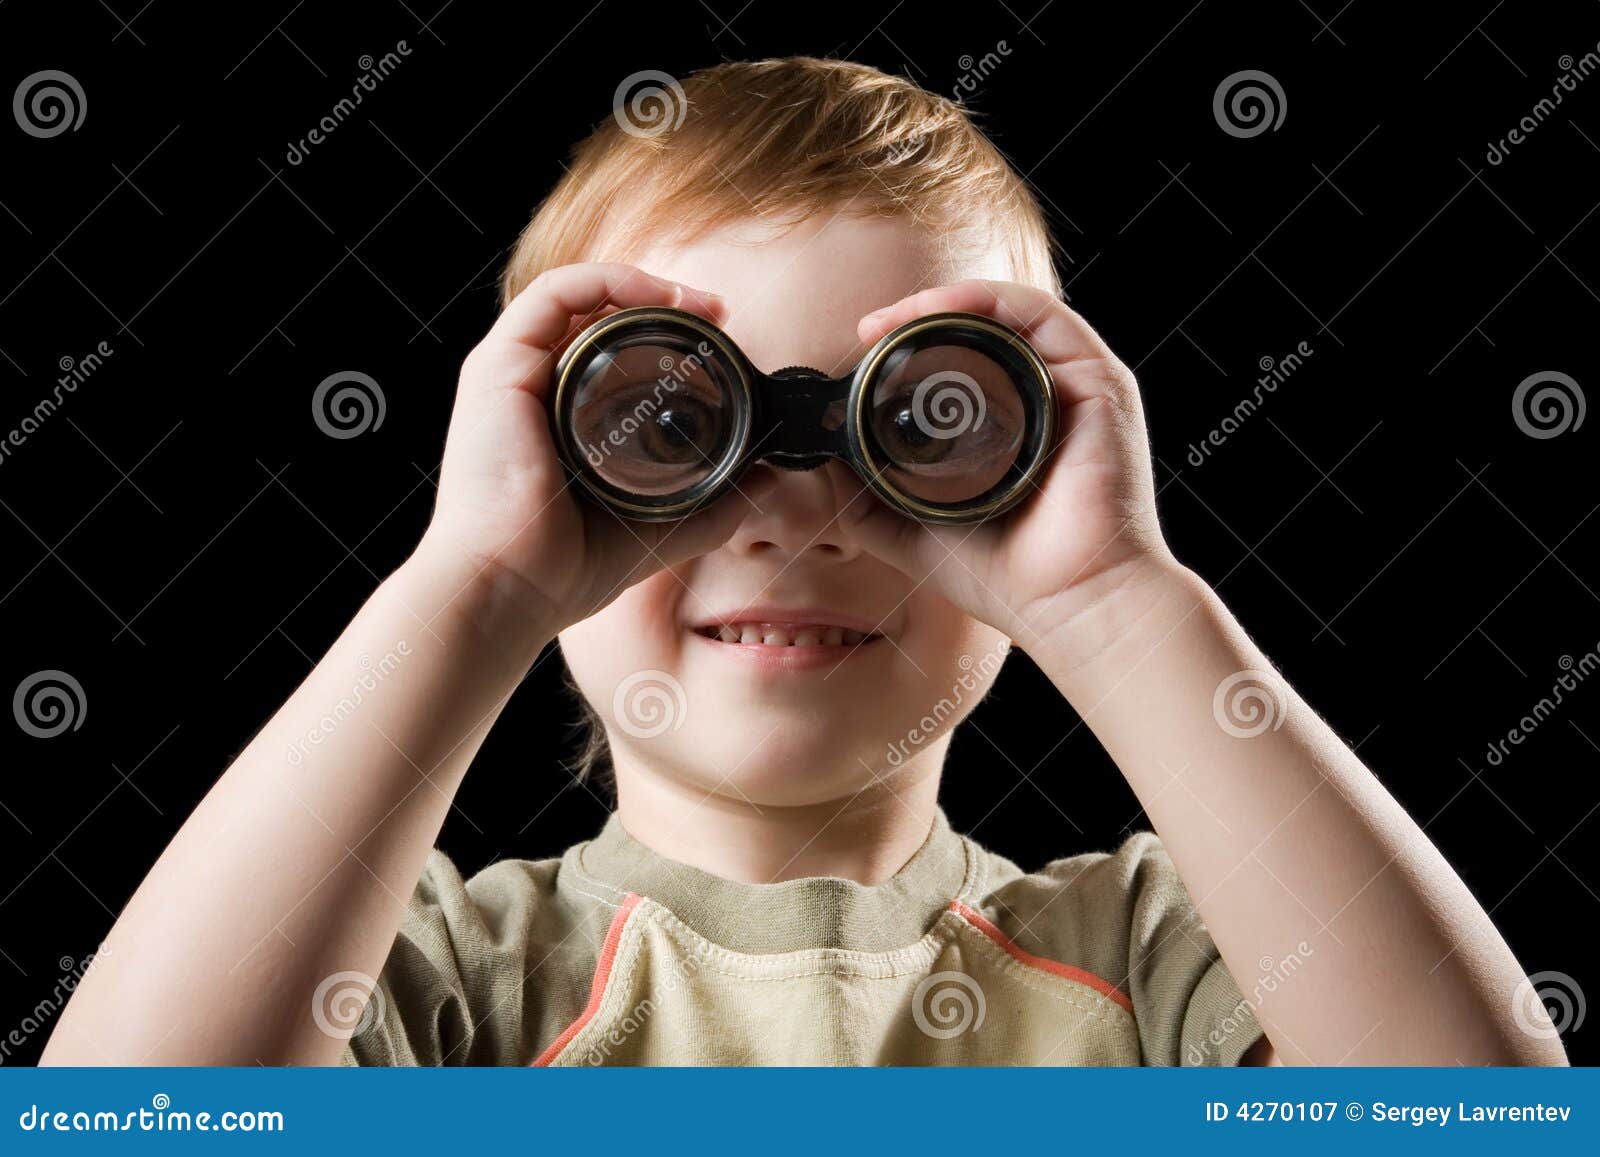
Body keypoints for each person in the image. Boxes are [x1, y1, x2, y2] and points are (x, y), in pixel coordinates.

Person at [42, 57, 1565, 1067]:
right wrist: (473, 587)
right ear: (541, 462)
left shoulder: (1154, 950)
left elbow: (1470, 1119)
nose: (791, 512)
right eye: (664, 426)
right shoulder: (450, 972)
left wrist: (1118, 600)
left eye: (925, 429)